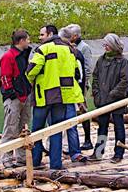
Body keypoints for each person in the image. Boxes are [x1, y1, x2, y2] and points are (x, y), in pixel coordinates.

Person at [26, 24, 86, 169]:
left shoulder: (44, 49)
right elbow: (77, 74)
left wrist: (35, 81)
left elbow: (31, 71)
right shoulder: (70, 50)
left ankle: (35, 162)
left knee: (38, 131)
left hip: (44, 97)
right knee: (57, 130)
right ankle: (56, 164)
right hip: (62, 97)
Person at [91, 32, 128, 162]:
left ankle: (119, 154)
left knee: (119, 127)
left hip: (117, 101)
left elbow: (124, 81)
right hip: (102, 100)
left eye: (107, 44)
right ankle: (98, 153)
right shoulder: (101, 60)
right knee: (102, 127)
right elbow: (95, 77)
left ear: (113, 45)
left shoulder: (123, 62)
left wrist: (112, 94)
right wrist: (96, 93)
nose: (105, 47)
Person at [0, 28, 33, 169]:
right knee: (10, 129)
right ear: (22, 41)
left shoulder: (23, 55)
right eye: (28, 39)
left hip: (25, 96)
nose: (30, 42)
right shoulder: (8, 56)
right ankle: (6, 158)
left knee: (24, 127)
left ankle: (21, 157)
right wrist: (12, 94)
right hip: (14, 98)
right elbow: (5, 77)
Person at [64, 23, 94, 150]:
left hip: (82, 84)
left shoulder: (84, 48)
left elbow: (87, 68)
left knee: (83, 110)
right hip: (72, 85)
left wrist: (83, 85)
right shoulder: (69, 47)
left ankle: (88, 139)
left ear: (75, 36)